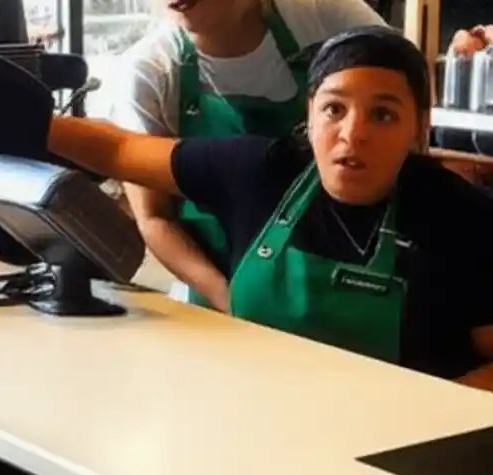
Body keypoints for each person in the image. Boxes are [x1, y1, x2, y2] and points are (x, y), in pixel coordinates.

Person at [48, 26, 493, 391]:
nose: (352, 134)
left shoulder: (458, 216)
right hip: (253, 429)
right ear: (310, 115)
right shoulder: (261, 173)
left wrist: (422, 419)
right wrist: (13, 112)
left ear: (420, 126)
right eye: (334, 109)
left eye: (383, 115)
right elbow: (119, 148)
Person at [107, 0, 392, 310]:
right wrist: (228, 299)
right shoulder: (151, 73)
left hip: (346, 284)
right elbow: (154, 217)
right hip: (220, 295)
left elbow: (407, 103)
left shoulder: (326, 19)